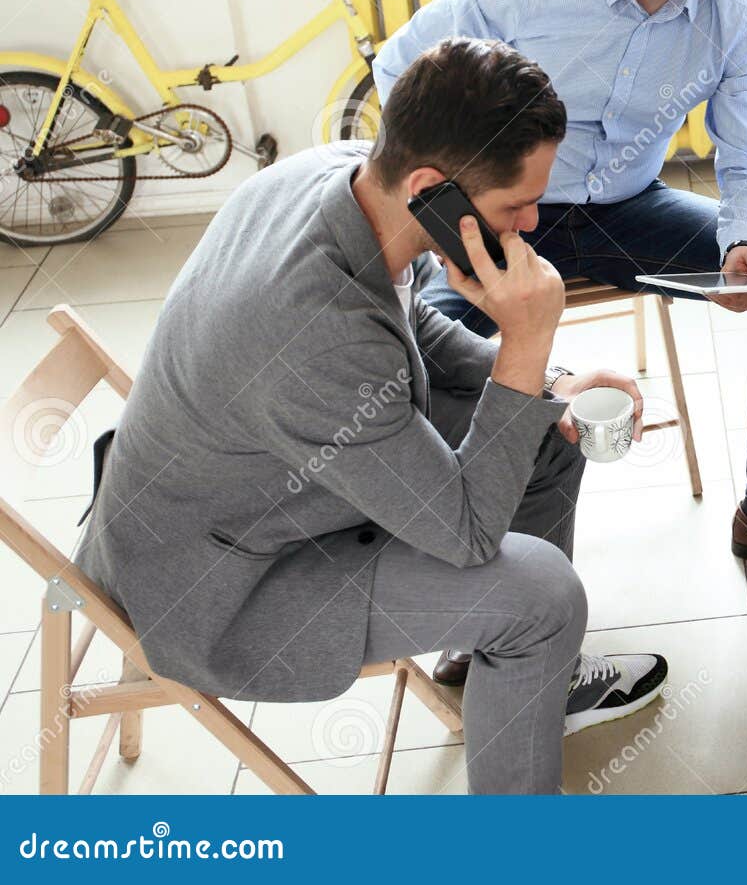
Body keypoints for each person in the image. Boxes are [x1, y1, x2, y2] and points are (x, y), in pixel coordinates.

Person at [76, 38, 667, 794]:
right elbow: (468, 530)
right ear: (433, 187)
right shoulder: (309, 328)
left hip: (239, 491)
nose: (530, 223)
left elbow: (410, 321)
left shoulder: (345, 177)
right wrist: (526, 336)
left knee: (549, 433)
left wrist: (549, 375)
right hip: (219, 586)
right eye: (513, 205)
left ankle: (508, 671)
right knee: (542, 596)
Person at [370, 0, 747, 684]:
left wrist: (741, 240)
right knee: (425, 338)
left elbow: (745, 158)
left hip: (631, 210)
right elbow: (400, 69)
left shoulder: (733, 14)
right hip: (511, 211)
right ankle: (483, 590)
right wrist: (451, 218)